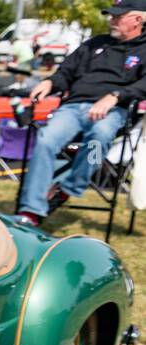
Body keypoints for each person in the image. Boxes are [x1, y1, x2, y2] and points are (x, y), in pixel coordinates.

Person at [17, 0, 146, 226]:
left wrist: (116, 95)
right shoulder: (94, 44)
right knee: (46, 140)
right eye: (111, 15)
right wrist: (49, 83)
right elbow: (65, 73)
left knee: (99, 138)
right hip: (72, 107)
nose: (111, 20)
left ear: (137, 19)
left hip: (113, 111)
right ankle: (31, 211)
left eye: (118, 16)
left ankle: (69, 187)